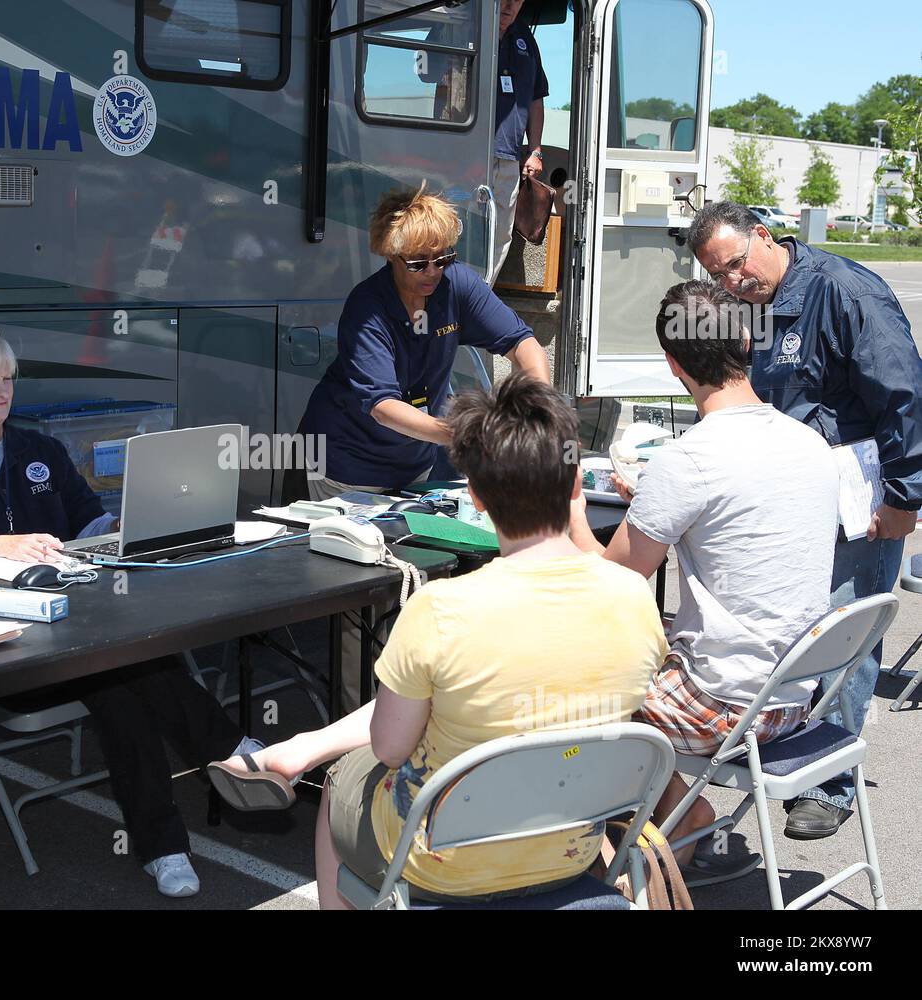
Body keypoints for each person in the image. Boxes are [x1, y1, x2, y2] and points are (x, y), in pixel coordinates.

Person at [210, 374, 667, 909]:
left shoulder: (440, 610)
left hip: (444, 866)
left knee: (345, 778)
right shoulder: (634, 598)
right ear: (574, 486)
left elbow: (389, 748)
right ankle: (301, 748)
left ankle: (304, 754)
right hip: (569, 852)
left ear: (475, 495)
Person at [0, 327, 265, 899]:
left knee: (121, 671)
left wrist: (126, 524)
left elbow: (86, 521)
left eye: (9, 378)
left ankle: (167, 844)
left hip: (74, 622)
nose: (3, 391)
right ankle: (229, 755)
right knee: (122, 672)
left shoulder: (41, 450)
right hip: (4, 642)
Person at [568, 281, 840, 865]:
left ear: (673, 364)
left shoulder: (689, 459)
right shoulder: (811, 442)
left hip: (727, 705)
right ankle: (677, 810)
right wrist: (657, 503)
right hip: (796, 694)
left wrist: (570, 510)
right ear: (745, 340)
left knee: (566, 686)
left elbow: (611, 583)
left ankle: (661, 830)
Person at [686, 201, 922, 840]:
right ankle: (778, 744)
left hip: (858, 501)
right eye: (717, 275)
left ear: (764, 236)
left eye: (736, 265)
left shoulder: (845, 292)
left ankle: (830, 786)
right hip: (790, 497)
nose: (732, 282)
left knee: (844, 634)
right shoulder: (751, 303)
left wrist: (904, 499)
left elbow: (904, 395)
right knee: (788, 628)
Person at [300, 181, 548, 502]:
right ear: (391, 255)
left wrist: (542, 406)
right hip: (347, 462)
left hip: (414, 460)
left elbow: (521, 342)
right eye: (418, 263)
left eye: (442, 258)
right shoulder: (367, 307)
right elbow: (383, 407)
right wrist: (467, 434)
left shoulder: (457, 284)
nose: (432, 272)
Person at [489, 0, 547, 282]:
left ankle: (480, 296)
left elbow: (536, 99)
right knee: (458, 228)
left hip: (509, 158)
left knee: (500, 234)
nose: (510, 5)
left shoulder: (526, 39)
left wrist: (535, 151)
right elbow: (429, 76)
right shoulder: (465, 24)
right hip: (466, 152)